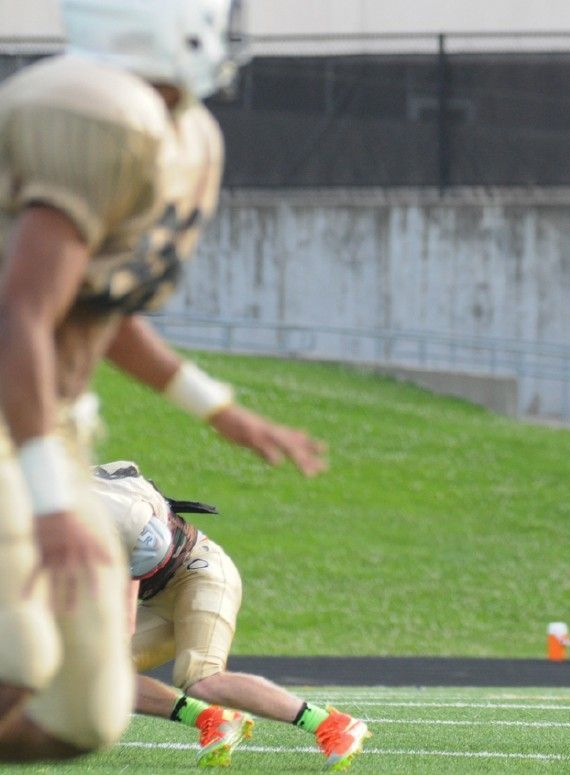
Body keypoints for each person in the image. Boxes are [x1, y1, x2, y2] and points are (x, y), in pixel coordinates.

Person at [0, 0, 325, 762]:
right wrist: (49, 498)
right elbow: (20, 314)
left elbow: (95, 308)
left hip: (40, 431)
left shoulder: (169, 134)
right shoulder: (94, 112)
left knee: (83, 712)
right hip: (20, 437)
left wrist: (220, 409)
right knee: (24, 667)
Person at [90, 460, 369, 770]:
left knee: (200, 678)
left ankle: (332, 724)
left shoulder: (107, 514)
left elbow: (126, 600)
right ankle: (214, 720)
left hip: (199, 572)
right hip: (160, 593)